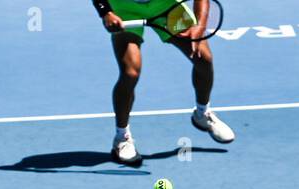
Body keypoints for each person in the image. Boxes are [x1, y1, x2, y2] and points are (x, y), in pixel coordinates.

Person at [92, 0, 235, 165]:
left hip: (166, 6)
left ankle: (202, 113)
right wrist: (105, 12)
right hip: (125, 8)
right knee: (130, 72)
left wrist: (200, 25)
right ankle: (122, 138)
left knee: (203, 58)